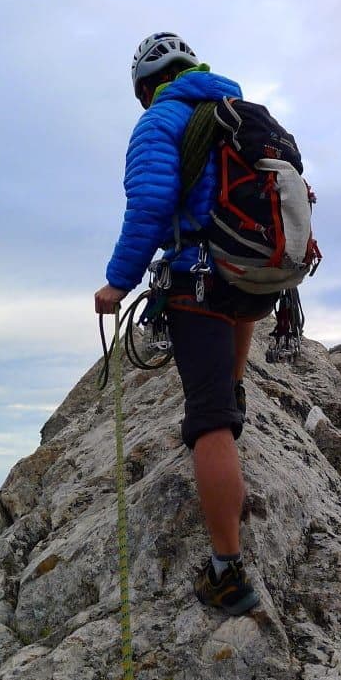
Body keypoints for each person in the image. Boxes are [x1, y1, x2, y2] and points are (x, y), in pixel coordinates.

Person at [94, 32, 279, 616]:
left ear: (146, 86)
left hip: (201, 276)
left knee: (207, 421)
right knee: (224, 388)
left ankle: (227, 573)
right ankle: (235, 393)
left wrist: (117, 283)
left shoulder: (160, 120)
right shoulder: (240, 113)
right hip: (254, 275)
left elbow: (149, 205)